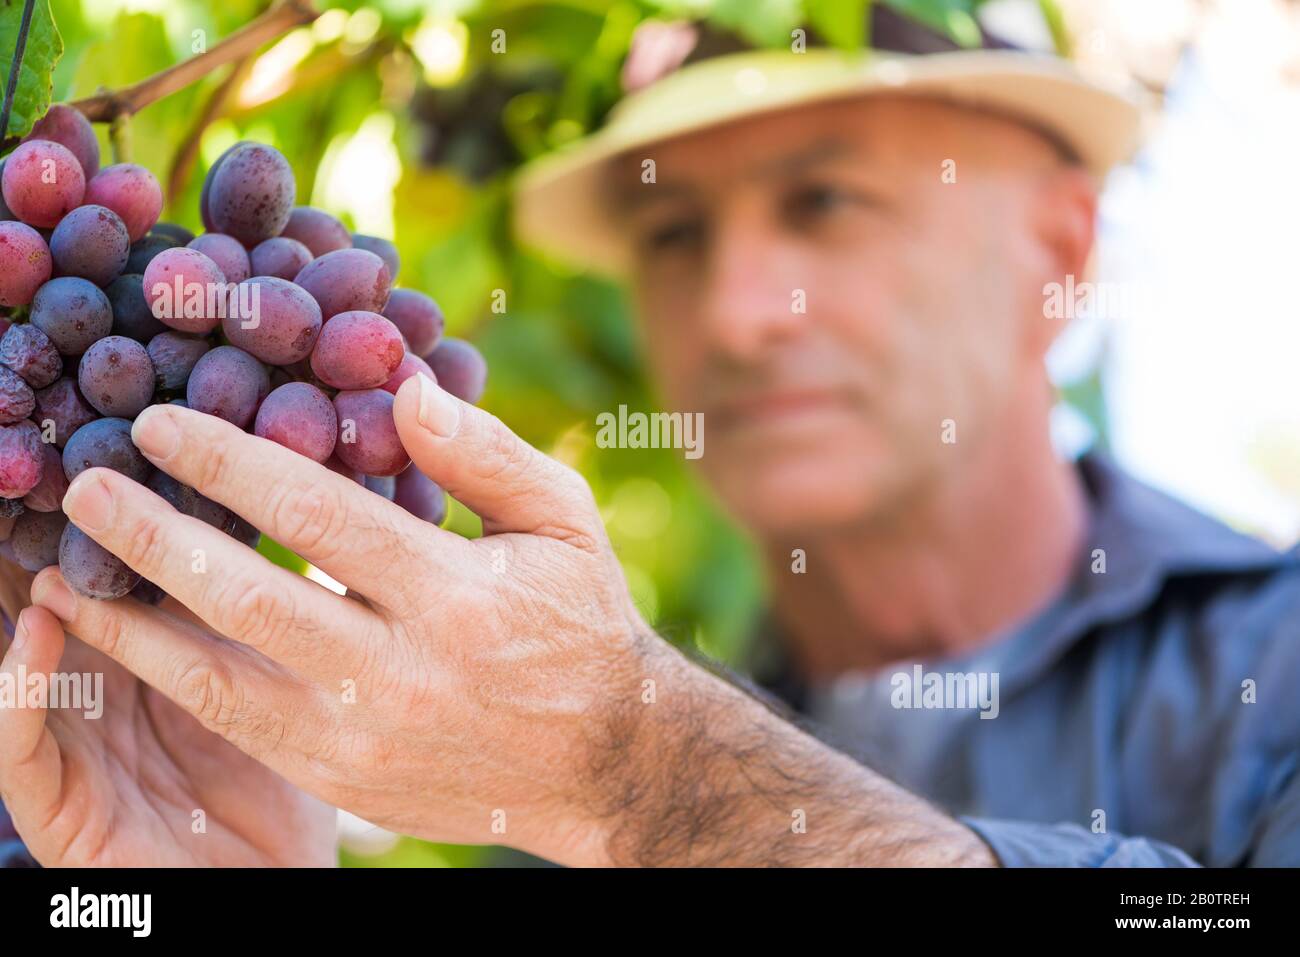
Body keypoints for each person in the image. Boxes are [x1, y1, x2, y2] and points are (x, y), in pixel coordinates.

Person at [2, 10, 1298, 867]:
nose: (736, 314)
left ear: (1060, 252)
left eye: (827, 200)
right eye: (675, 233)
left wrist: (638, 768)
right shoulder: (535, 804)